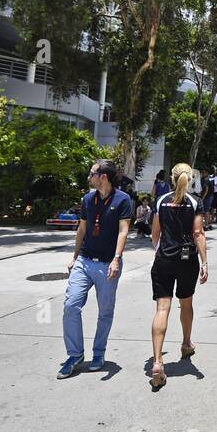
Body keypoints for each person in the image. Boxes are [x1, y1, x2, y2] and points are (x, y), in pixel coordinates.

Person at [59, 160, 132, 378]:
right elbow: (82, 229)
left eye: (92, 173)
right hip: (85, 260)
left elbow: (123, 231)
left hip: (108, 264)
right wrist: (74, 257)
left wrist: (117, 259)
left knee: (105, 312)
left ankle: (98, 353)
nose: (89, 176)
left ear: (103, 177)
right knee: (71, 305)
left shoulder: (123, 200)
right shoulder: (87, 199)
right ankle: (75, 354)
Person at [150, 163, 209, 389]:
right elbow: (198, 233)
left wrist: (160, 251)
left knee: (161, 309)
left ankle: (157, 362)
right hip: (187, 261)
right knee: (186, 304)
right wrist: (204, 262)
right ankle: (186, 344)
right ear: (190, 178)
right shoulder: (195, 202)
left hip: (164, 259)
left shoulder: (161, 201)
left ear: (172, 179)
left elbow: (156, 233)